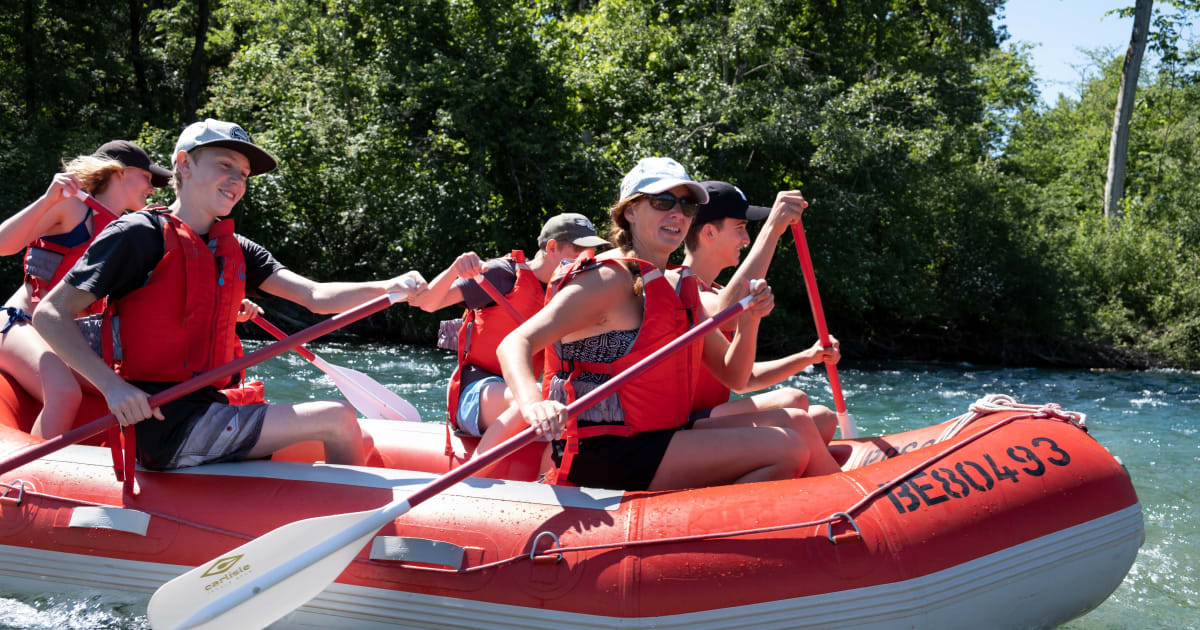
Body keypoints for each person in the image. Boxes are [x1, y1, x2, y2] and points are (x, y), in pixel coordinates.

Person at [33, 119, 426, 470]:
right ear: (184, 164)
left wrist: (388, 287)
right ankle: (356, 524)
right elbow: (50, 314)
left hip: (211, 409)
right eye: (225, 165)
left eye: (244, 174)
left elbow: (315, 295)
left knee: (362, 438)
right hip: (161, 423)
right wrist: (113, 387)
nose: (237, 180)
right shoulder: (138, 234)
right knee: (337, 418)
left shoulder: (236, 248)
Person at [496, 157, 840, 491]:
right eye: (662, 202)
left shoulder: (676, 285)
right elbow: (515, 343)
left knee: (797, 423)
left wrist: (750, 323)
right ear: (630, 211)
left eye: (687, 206)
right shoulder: (606, 279)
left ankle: (839, 504)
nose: (677, 213)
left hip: (659, 438)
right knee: (787, 448)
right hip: (604, 452)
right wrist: (533, 403)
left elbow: (734, 376)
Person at [0, 141, 171, 438]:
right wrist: (46, 200)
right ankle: (31, 468)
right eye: (146, 177)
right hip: (19, 323)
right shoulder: (72, 207)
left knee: (139, 393)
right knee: (64, 393)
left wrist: (233, 307)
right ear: (120, 172)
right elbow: (4, 245)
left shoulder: (130, 231)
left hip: (63, 339)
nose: (151, 189)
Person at [409, 214, 610, 466]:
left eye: (591, 250)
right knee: (533, 401)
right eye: (579, 248)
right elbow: (427, 302)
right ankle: (473, 474)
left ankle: (548, 479)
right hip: (476, 389)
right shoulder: (502, 274)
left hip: (524, 390)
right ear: (551, 247)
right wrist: (456, 269)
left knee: (571, 407)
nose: (587, 256)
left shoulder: (570, 293)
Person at [681, 180, 841, 443]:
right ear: (709, 232)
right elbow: (728, 315)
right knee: (794, 399)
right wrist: (772, 229)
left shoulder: (717, 292)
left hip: (708, 421)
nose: (746, 239)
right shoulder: (679, 287)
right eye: (740, 228)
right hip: (682, 429)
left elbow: (744, 379)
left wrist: (810, 356)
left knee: (823, 418)